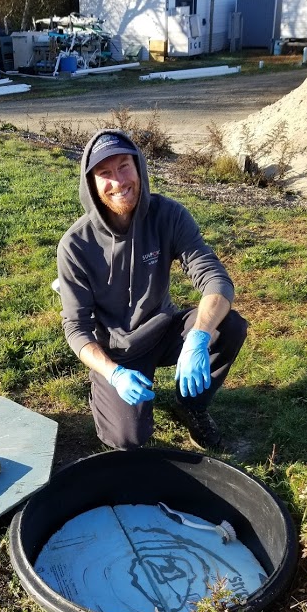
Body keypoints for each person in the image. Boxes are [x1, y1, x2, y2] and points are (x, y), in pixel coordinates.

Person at [57, 129, 247, 451]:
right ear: (91, 183)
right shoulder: (75, 245)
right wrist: (113, 372)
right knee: (127, 439)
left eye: (124, 166)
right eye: (105, 173)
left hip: (163, 329)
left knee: (228, 326)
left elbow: (215, 279)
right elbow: (76, 328)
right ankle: (107, 393)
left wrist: (199, 335)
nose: (118, 181)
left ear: (140, 167)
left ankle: (192, 406)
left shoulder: (168, 215)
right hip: (117, 352)